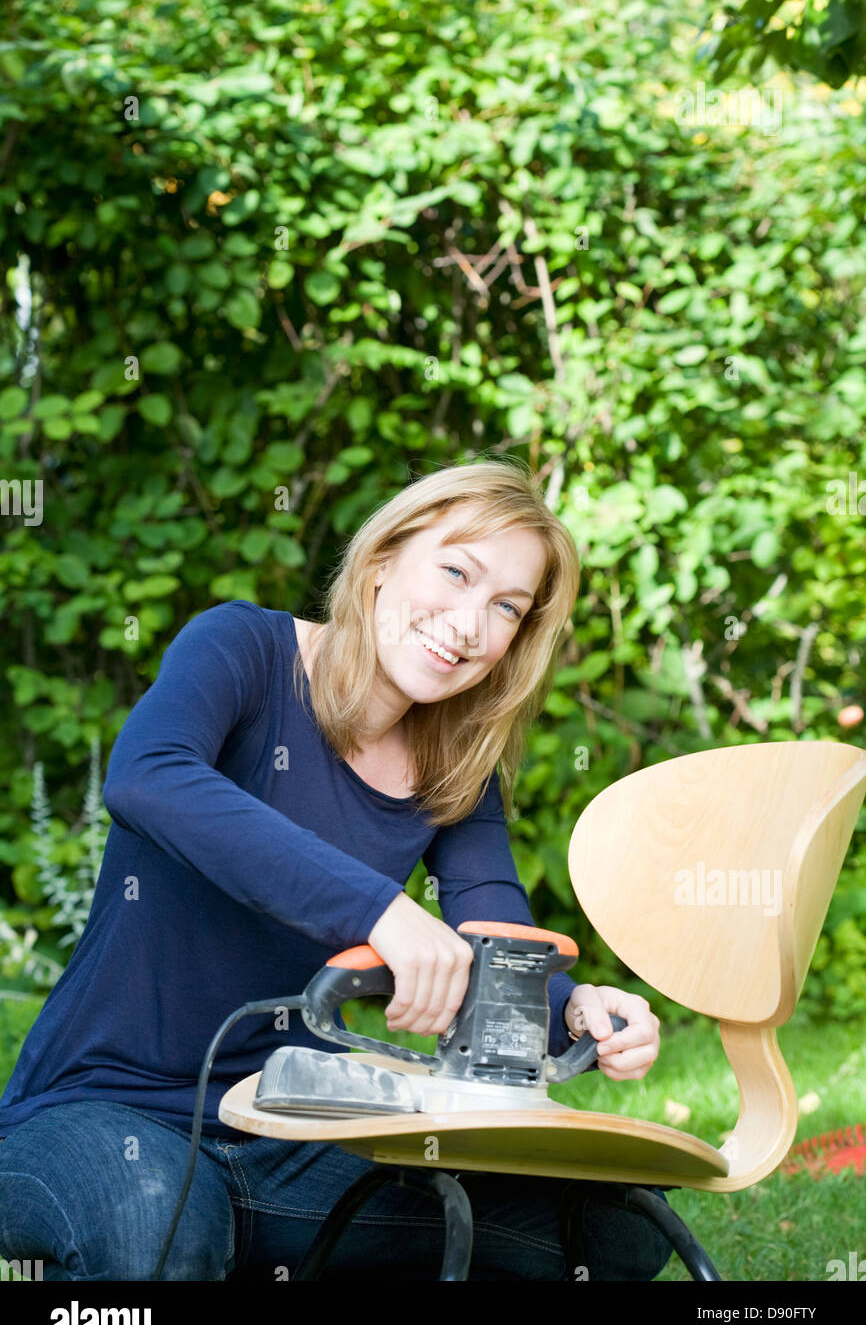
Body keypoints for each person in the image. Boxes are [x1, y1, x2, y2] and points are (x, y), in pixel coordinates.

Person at [0, 459, 673, 1281]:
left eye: (505, 607)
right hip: (107, 1108)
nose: (468, 623)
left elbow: (494, 948)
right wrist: (379, 910)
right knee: (158, 1232)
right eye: (456, 572)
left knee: (617, 1226)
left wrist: (578, 1011)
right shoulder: (243, 649)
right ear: (384, 557)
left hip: (301, 1120)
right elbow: (150, 775)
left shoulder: (456, 768)